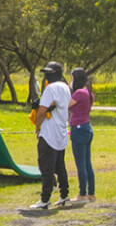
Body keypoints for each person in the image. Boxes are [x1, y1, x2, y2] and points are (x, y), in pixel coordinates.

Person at [30, 62, 71, 209]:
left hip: (48, 133)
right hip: (61, 131)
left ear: (53, 74)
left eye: (48, 73)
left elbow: (42, 111)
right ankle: (64, 195)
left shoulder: (50, 88)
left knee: (45, 166)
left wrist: (37, 126)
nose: (46, 75)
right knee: (60, 166)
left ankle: (45, 199)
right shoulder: (65, 87)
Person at [68, 67, 96, 202]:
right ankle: (91, 193)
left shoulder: (78, 93)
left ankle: (82, 194)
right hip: (87, 128)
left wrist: (68, 90)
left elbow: (67, 105)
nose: (70, 81)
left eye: (72, 78)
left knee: (80, 164)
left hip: (78, 129)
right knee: (87, 163)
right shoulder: (88, 92)